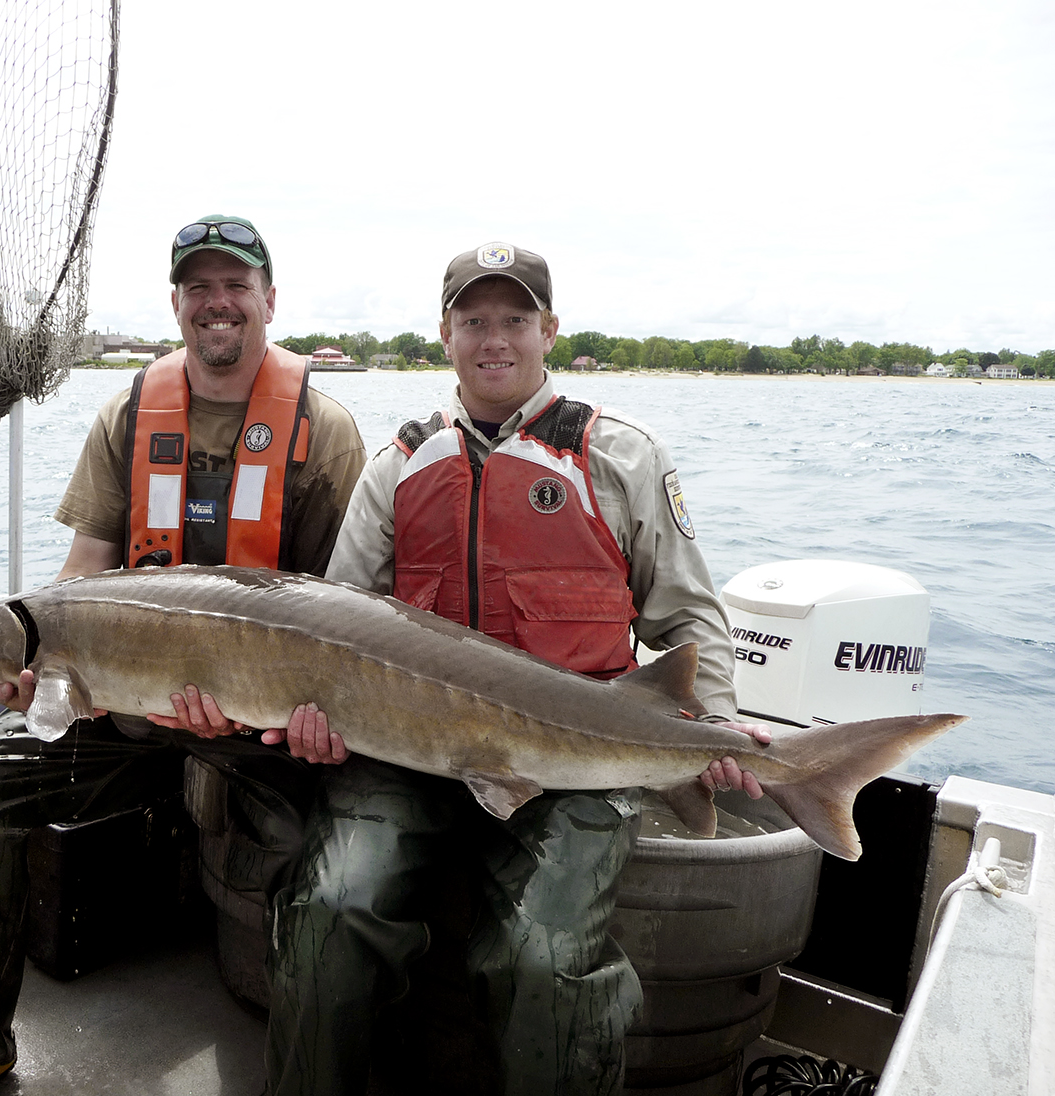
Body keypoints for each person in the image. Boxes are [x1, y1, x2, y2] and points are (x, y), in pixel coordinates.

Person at [263, 241, 768, 1096]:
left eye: (514, 319)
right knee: (332, 911)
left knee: (543, 956)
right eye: (473, 321)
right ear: (445, 334)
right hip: (408, 759)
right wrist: (310, 720)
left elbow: (688, 618)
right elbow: (331, 627)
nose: (493, 339)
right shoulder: (399, 465)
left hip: (578, 763)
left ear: (549, 331)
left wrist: (710, 723)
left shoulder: (622, 457)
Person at [0, 215, 366, 1096]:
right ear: (177, 302)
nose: (217, 304)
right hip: (126, 712)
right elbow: (81, 578)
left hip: (264, 729)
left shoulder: (323, 430)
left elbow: (348, 617)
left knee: (341, 876)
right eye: (199, 288)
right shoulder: (129, 412)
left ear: (269, 300)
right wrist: (38, 673)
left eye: (235, 287)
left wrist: (287, 720)